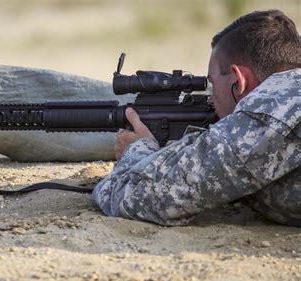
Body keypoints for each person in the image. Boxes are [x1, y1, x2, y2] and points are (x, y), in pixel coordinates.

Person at [93, 9, 300, 226]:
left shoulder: (267, 113)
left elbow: (135, 198)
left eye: (211, 83)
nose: (210, 99)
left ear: (239, 80)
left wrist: (137, 152)